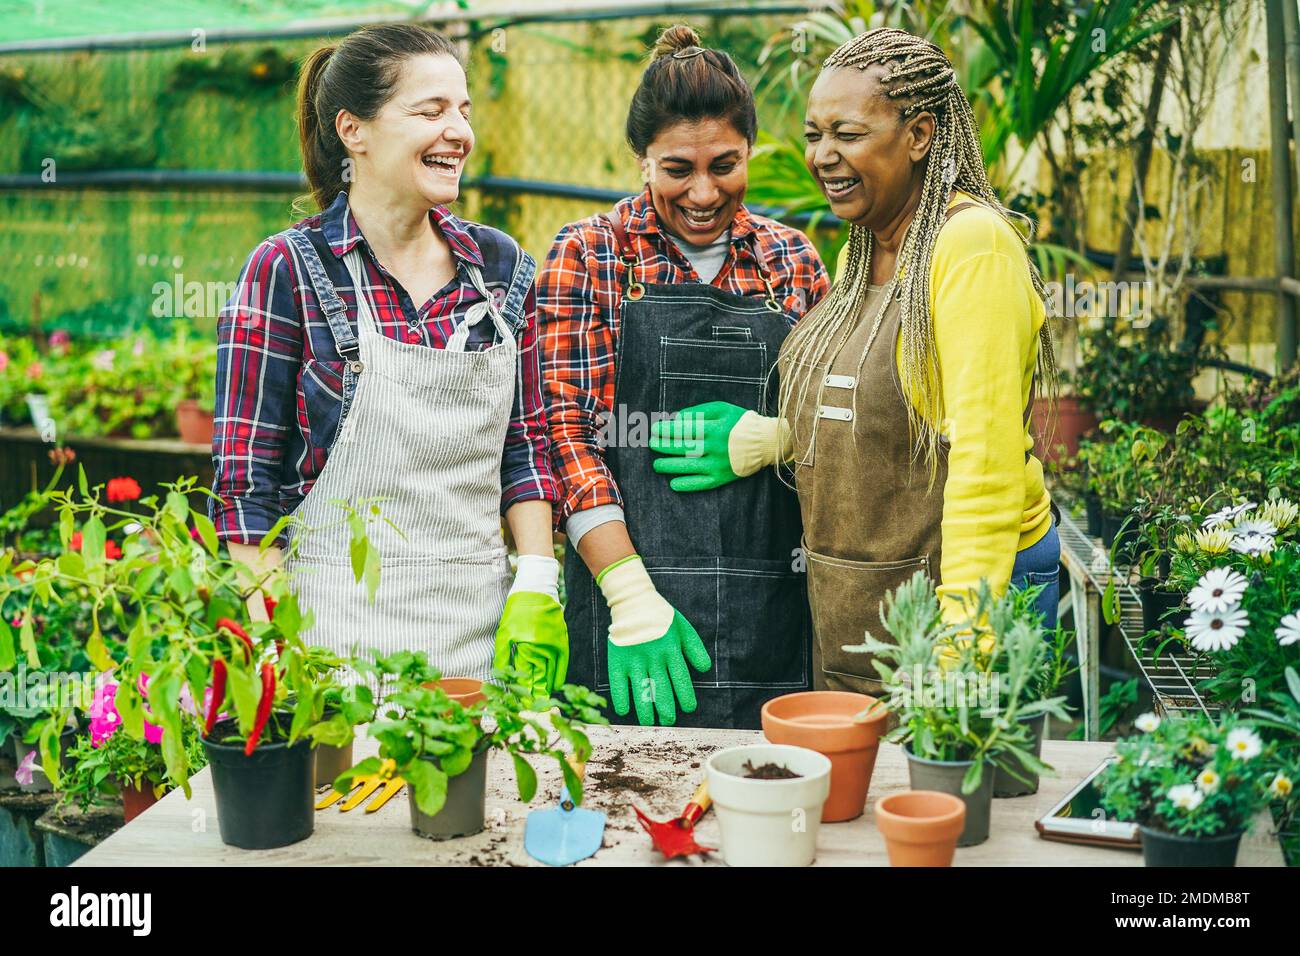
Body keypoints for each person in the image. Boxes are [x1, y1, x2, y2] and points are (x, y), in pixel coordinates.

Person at [651, 28, 1061, 695]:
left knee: (970, 798)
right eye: (814, 135)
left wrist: (965, 647)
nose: (823, 156)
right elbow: (886, 415)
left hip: (973, 589)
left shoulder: (972, 249)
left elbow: (985, 467)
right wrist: (778, 438)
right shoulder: (863, 251)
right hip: (870, 591)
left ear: (920, 135)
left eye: (847, 133)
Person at [210, 24, 566, 693]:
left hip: (483, 654)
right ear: (354, 131)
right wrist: (274, 656)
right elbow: (244, 494)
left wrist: (539, 584)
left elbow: (525, 448)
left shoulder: (500, 267)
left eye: (463, 110)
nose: (457, 131)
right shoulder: (287, 269)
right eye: (430, 111)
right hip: (329, 656)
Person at [538, 25, 831, 729]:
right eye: (677, 170)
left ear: (751, 151)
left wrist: (783, 438)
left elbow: (842, 419)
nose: (704, 193)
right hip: (628, 611)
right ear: (642, 160)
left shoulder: (790, 261)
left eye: (725, 165)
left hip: (770, 611)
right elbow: (566, 437)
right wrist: (630, 595)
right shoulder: (590, 256)